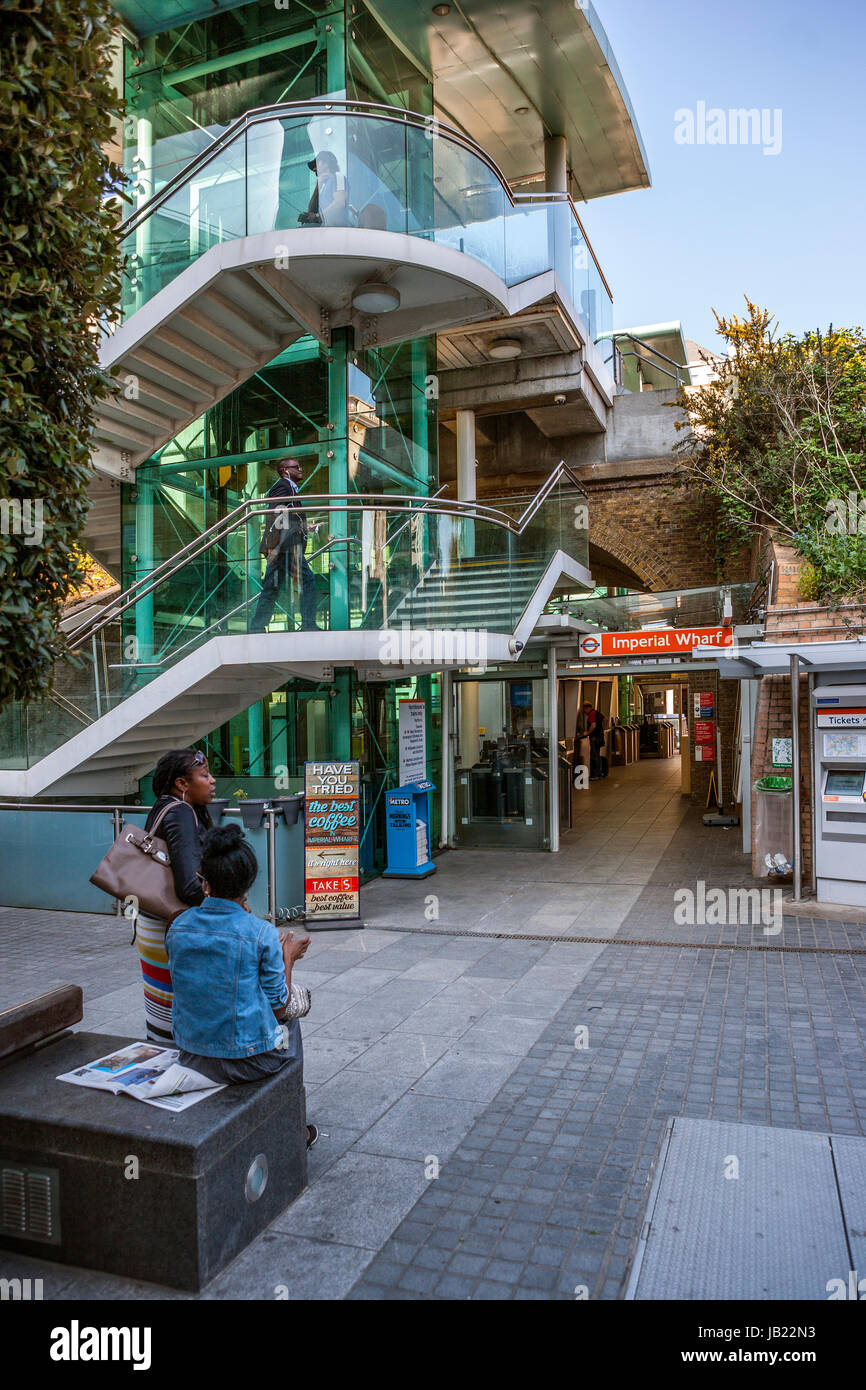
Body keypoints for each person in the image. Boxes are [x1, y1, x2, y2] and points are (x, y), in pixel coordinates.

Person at [166, 823, 318, 1149]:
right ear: (248, 884)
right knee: (291, 1024)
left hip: (192, 1053)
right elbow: (279, 1006)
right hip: (248, 1061)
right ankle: (293, 1126)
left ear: (202, 881)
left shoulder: (178, 927)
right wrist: (287, 956)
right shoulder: (260, 932)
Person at [135, 748, 215, 1043]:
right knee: (174, 1009)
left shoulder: (164, 805)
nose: (212, 781)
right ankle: (172, 1065)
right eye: (204, 775)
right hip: (168, 927)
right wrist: (226, 907)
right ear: (182, 783)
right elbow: (189, 887)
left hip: (153, 921)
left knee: (162, 1003)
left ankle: (162, 1056)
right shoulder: (181, 812)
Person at [250, 457, 319, 633]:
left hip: (282, 545)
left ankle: (257, 627)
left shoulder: (290, 489)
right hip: (286, 545)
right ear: (285, 471)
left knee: (271, 587)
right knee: (308, 580)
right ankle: (308, 624)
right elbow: (276, 514)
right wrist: (276, 546)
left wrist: (304, 526)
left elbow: (285, 516)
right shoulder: (284, 486)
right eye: (296, 467)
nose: (300, 469)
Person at [297, 150, 348, 227]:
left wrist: (317, 216)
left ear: (326, 163)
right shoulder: (323, 187)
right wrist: (317, 188)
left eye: (316, 164)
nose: (314, 169)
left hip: (337, 229)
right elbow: (311, 211)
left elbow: (339, 203)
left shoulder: (338, 177)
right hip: (325, 229)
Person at [583, 701, 606, 781]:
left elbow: (593, 725)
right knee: (597, 755)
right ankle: (599, 773)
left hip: (595, 737)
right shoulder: (597, 713)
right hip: (600, 737)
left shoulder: (592, 714)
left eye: (584, 709)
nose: (584, 712)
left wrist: (587, 733)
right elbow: (605, 719)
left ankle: (596, 774)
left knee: (594, 756)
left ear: (588, 708)